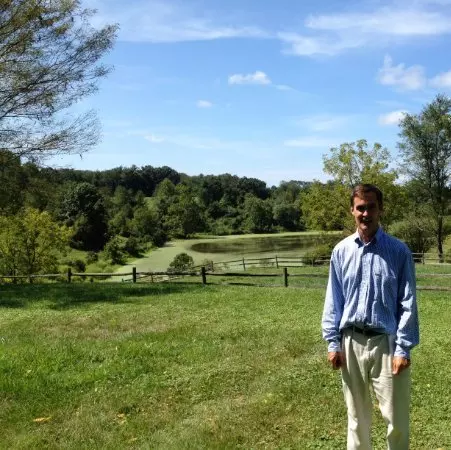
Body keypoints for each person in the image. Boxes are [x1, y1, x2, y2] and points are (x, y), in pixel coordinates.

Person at [322, 183, 419, 450]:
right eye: (360, 208)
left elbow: (408, 302)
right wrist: (332, 342)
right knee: (356, 418)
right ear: (352, 211)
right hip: (350, 341)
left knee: (396, 419)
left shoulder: (399, 251)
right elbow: (334, 299)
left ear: (381, 209)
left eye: (371, 207)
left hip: (386, 343)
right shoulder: (341, 251)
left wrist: (403, 349)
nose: (366, 214)